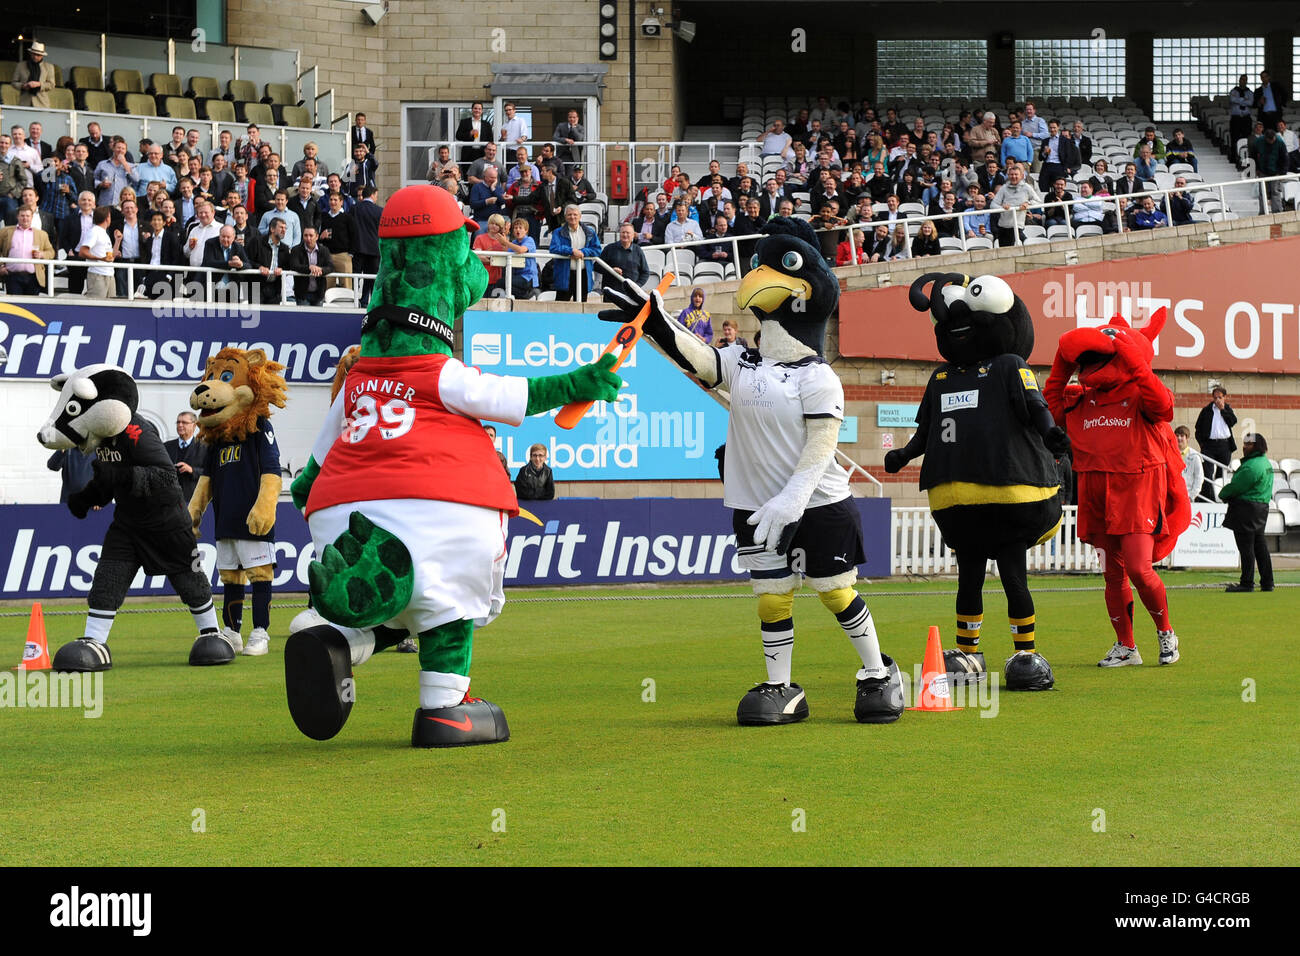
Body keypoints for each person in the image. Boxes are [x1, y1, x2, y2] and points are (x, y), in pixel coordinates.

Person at [1218, 433, 1275, 593]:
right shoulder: (1266, 463)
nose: (1244, 446)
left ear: (1257, 446)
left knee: (1246, 547)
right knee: (1260, 546)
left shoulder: (1251, 466)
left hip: (1246, 509)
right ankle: (1267, 582)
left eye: (1248, 444)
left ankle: (1247, 583)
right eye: (1244, 443)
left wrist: (1223, 494)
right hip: (1261, 508)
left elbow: (1236, 486)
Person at [547, 204, 600, 302]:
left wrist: (583, 252)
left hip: (584, 274)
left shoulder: (590, 232)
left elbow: (597, 250)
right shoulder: (558, 232)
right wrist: (571, 251)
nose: (572, 217)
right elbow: (554, 248)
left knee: (581, 306)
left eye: (575, 214)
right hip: (564, 274)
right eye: (569, 214)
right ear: (565, 217)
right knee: (561, 307)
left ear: (580, 216)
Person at [0, 206, 55, 295]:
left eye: (27, 216)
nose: (25, 218)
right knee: (16, 306)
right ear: (17, 216)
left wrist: (42, 254)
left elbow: (51, 252)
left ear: (32, 217)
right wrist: (1, 266)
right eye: (22, 216)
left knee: (32, 307)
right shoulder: (6, 232)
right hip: (12, 276)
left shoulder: (41, 234)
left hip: (34, 277)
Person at [1194, 386, 1237, 500]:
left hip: (1224, 445)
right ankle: (1207, 498)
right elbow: (1198, 428)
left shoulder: (1227, 408)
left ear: (1224, 398)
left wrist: (1223, 409)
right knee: (1207, 472)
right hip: (1209, 445)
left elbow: (1232, 422)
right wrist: (1202, 444)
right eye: (1215, 398)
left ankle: (1219, 497)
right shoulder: (1207, 410)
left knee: (1221, 473)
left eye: (1220, 397)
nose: (1217, 400)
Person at [165, 411, 205, 504]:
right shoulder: (166, 446)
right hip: (170, 500)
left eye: (184, 422)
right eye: (178, 422)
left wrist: (192, 470)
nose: (180, 425)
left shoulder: (204, 447)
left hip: (192, 499)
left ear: (194, 426)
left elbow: (210, 473)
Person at [600, 223, 649, 288]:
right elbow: (597, 266)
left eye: (628, 233)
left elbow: (645, 272)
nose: (625, 235)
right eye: (623, 232)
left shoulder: (638, 250)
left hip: (631, 294)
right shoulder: (609, 248)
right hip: (611, 292)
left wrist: (637, 286)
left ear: (633, 235)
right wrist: (611, 270)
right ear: (620, 234)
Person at [501, 217, 538, 298]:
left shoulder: (529, 240)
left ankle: (528, 295)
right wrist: (504, 237)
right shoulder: (514, 242)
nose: (518, 230)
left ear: (526, 230)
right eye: (515, 228)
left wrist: (506, 242)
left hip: (528, 277)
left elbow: (521, 250)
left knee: (502, 282)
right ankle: (526, 296)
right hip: (517, 276)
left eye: (520, 228)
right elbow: (507, 254)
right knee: (501, 282)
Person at [1174, 426, 1204, 503]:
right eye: (1177, 436)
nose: (1179, 438)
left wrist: (1191, 496)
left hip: (1187, 497)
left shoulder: (1195, 456)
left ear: (1187, 439)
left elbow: (1199, 478)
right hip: (1173, 496)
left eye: (1182, 436)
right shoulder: (1170, 454)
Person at [1230, 74, 1256, 161]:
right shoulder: (1233, 91)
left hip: (1246, 118)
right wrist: (1244, 100)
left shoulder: (1250, 92)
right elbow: (1232, 100)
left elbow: (1251, 103)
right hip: (1236, 118)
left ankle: (1246, 158)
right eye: (1242, 79)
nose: (1243, 81)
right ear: (1239, 80)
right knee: (1235, 138)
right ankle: (1234, 157)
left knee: (1246, 138)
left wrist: (1239, 100)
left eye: (1245, 80)